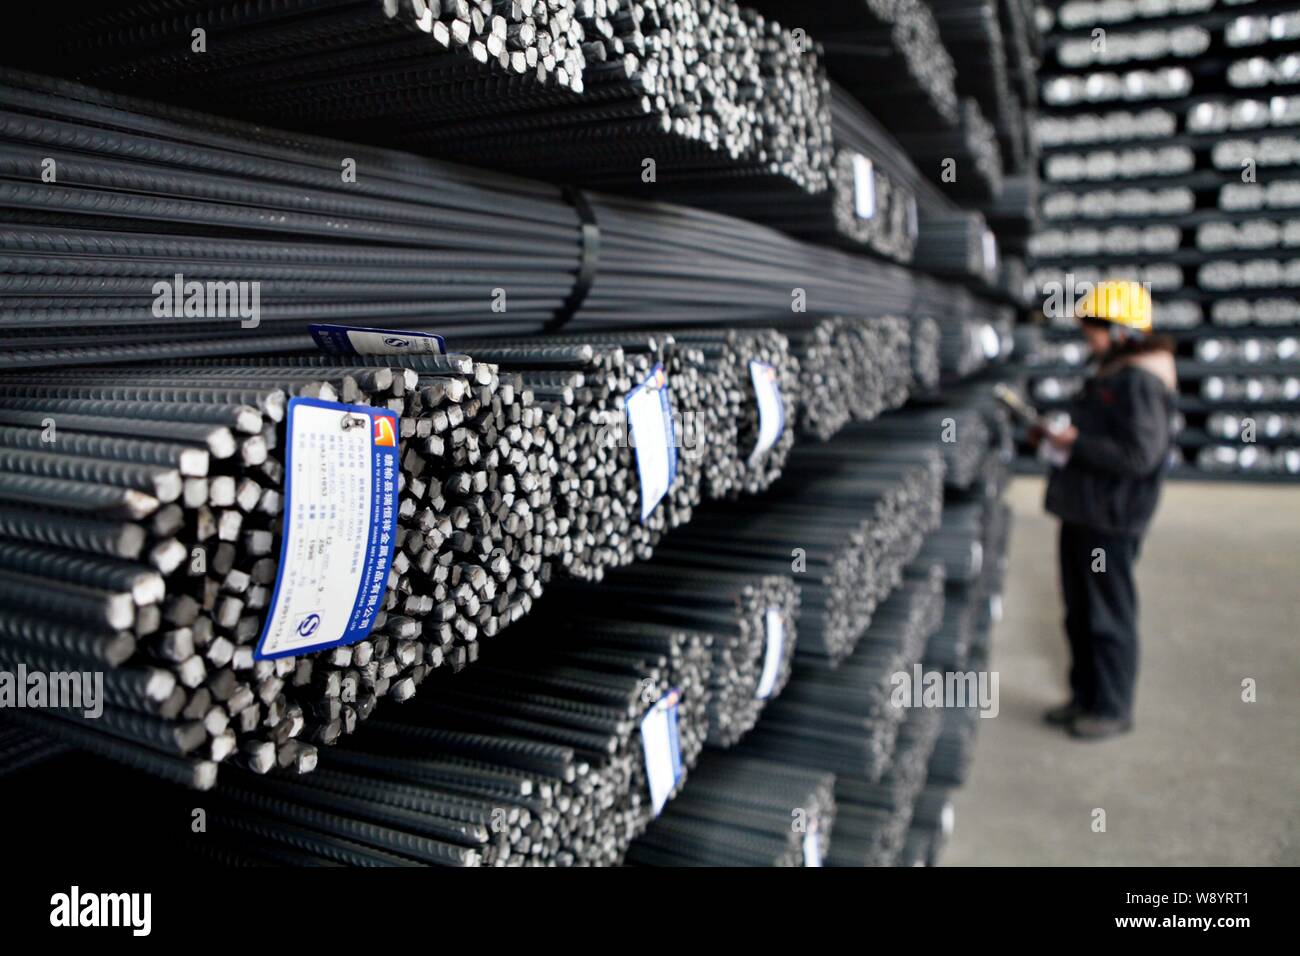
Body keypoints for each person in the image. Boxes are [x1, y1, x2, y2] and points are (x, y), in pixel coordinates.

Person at [1029, 280, 1177, 741]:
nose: (1087, 339)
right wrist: (1059, 438)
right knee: (1078, 611)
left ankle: (1112, 708)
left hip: (1110, 520)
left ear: (1119, 330)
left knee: (1107, 614)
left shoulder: (1140, 381)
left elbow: (1138, 456)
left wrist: (1076, 442)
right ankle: (1085, 697)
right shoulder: (1114, 370)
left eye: (1092, 329)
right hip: (1086, 511)